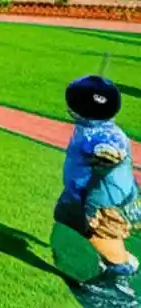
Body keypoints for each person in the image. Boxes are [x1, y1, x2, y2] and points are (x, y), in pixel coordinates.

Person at [54, 74, 141, 301]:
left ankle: (120, 273)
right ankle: (110, 257)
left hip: (101, 199)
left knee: (99, 232)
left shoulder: (103, 134)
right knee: (67, 216)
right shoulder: (89, 126)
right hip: (82, 192)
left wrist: (107, 152)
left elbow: (110, 145)